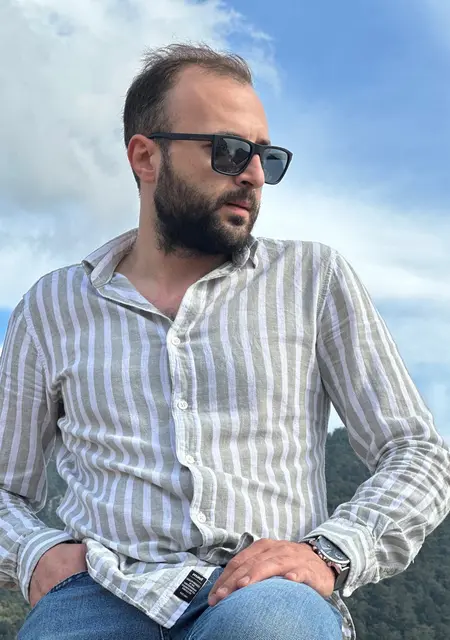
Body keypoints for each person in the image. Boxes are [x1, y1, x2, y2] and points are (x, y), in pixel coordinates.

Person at [0, 43, 449, 640]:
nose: (254, 175)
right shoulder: (52, 306)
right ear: (145, 156)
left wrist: (330, 552)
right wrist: (34, 553)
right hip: (98, 590)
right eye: (229, 150)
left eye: (267, 157)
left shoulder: (313, 279)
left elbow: (416, 451)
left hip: (262, 594)